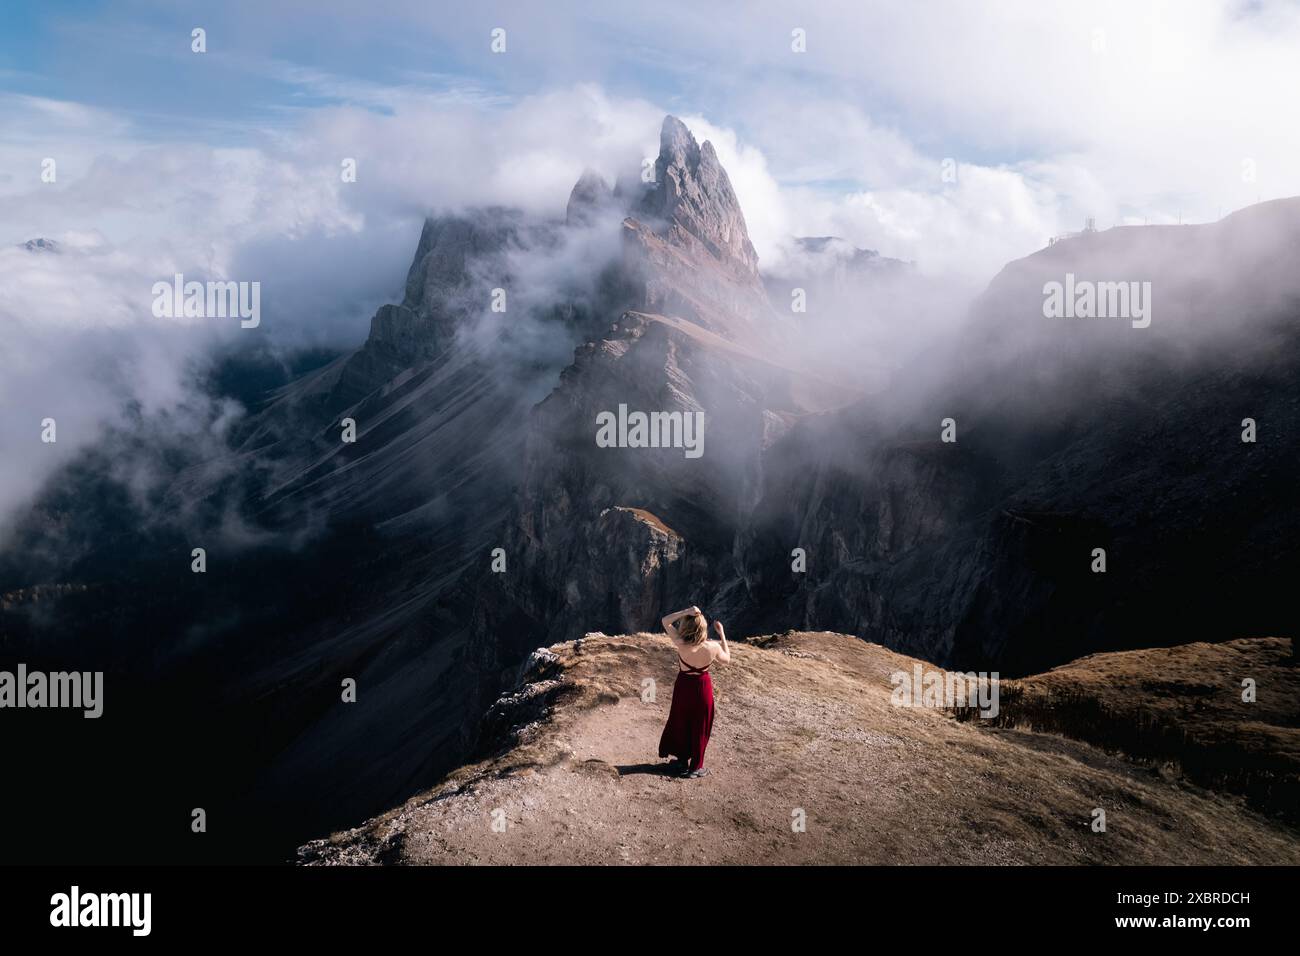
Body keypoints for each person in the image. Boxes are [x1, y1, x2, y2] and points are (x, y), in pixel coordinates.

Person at [657, 605, 730, 778]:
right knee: (700, 725)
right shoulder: (712, 647)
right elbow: (726, 660)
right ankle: (696, 767)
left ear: (686, 627)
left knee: (681, 721)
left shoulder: (681, 643)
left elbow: (665, 621)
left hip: (683, 685)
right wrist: (722, 635)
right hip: (702, 686)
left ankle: (682, 761)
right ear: (703, 628)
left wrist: (686, 612)